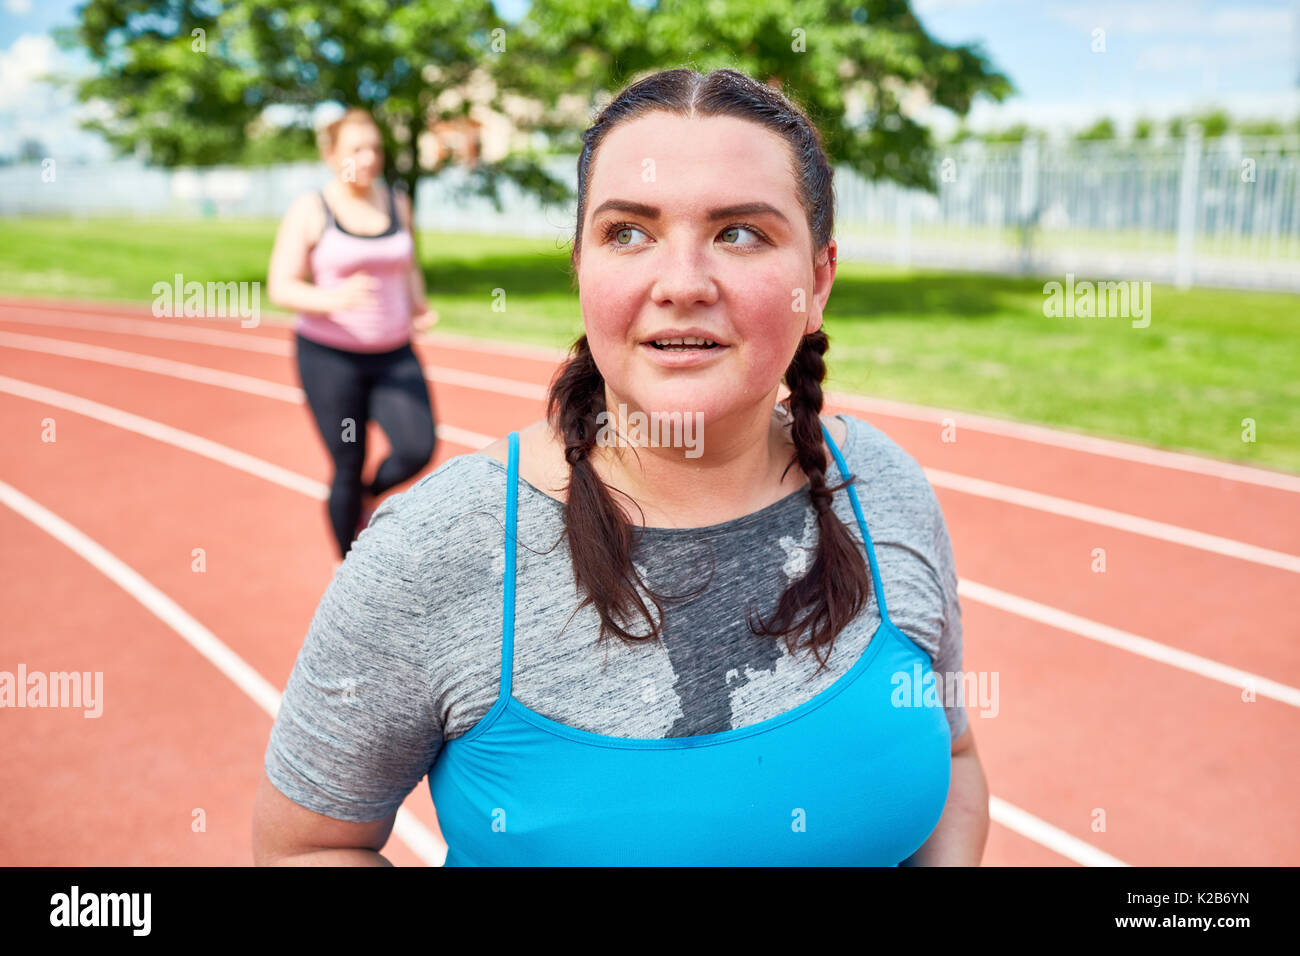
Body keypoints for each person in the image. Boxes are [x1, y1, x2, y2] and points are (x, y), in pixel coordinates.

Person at [252, 69, 989, 866]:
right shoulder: (435, 549)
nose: (681, 284)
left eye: (740, 232)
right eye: (629, 233)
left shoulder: (883, 488)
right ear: (581, 268)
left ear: (818, 282)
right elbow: (306, 847)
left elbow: (954, 759)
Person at [266, 107, 438, 561]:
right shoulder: (311, 208)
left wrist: (418, 305)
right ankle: (349, 572)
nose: (368, 158)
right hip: (330, 358)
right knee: (347, 462)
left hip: (393, 354)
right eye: (356, 149)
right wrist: (333, 300)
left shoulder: (395, 200)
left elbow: (408, 262)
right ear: (330, 154)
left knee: (418, 448)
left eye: (375, 148)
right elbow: (280, 286)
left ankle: (366, 496)